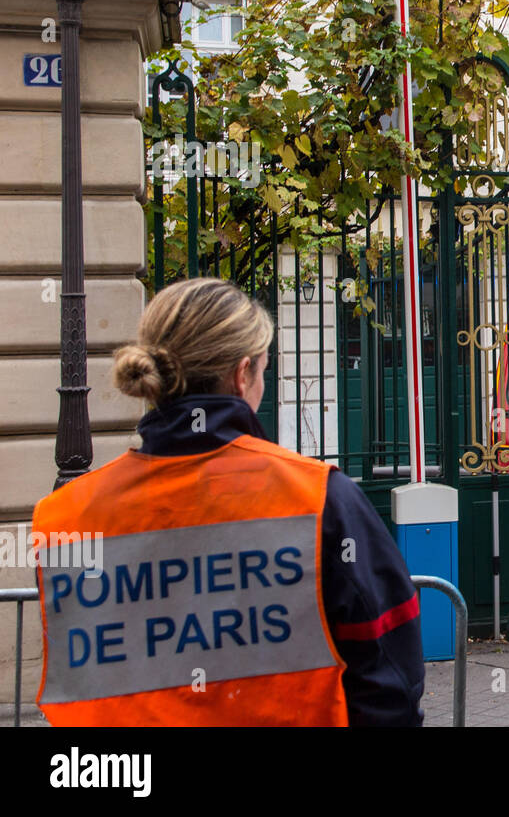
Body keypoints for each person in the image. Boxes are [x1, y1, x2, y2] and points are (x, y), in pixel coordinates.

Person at [33, 278, 424, 726]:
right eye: (263, 369)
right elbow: (388, 676)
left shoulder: (65, 515)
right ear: (243, 375)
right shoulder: (318, 497)